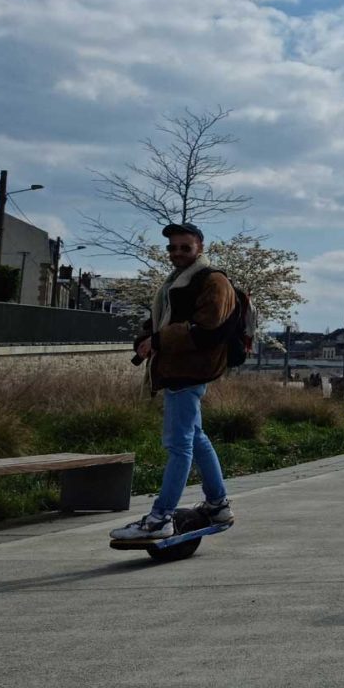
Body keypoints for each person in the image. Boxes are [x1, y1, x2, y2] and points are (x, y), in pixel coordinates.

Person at [111, 222, 238, 540]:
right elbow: (164, 318)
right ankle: (218, 504)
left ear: (200, 248)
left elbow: (207, 327)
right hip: (177, 368)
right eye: (172, 247)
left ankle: (160, 517)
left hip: (189, 370)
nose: (177, 253)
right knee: (196, 438)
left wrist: (158, 339)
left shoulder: (213, 281)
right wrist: (147, 337)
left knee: (178, 445)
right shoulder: (179, 280)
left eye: (185, 247)